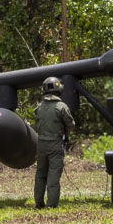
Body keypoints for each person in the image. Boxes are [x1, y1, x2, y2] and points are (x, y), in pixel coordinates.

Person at [31, 76, 75, 209]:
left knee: (40, 174)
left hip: (41, 144)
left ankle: (39, 203)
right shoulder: (62, 107)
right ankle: (51, 205)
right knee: (53, 176)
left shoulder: (39, 106)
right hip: (55, 144)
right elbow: (71, 125)